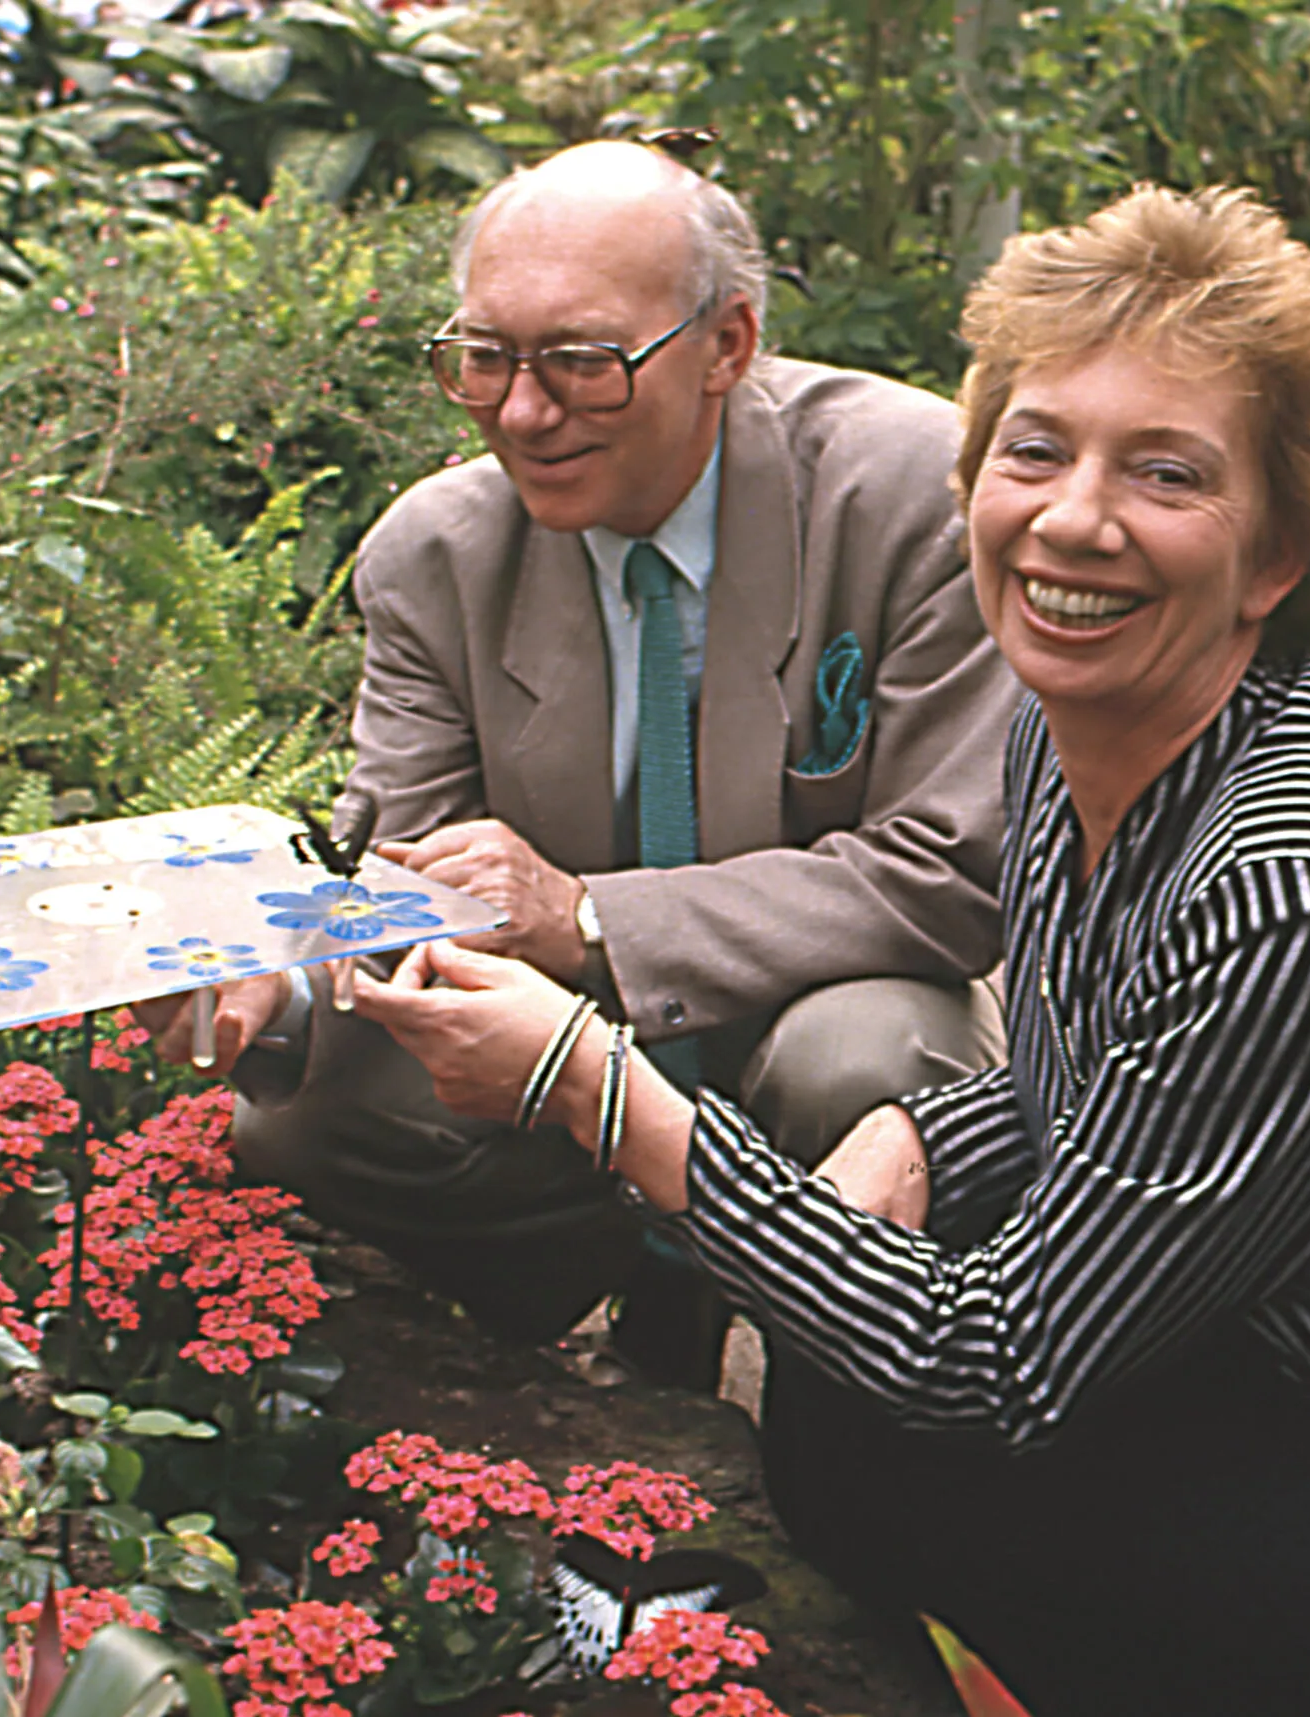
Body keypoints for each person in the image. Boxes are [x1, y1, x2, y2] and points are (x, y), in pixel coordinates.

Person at [350, 183, 1310, 1714]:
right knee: (844, 1426)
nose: (1074, 518)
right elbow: (1095, 1083)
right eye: (1036, 451)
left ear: (1273, 563)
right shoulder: (1082, 739)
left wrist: (593, 1089)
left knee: (905, 1426)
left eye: (1165, 473)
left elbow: (1002, 1359)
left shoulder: (1308, 885)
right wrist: (920, 1125)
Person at [141, 140, 1017, 1375]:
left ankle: (857, 1385)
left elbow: (950, 877)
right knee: (311, 1111)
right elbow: (405, 883)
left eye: (582, 364)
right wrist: (265, 985)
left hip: (827, 1009)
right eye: (484, 358)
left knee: (867, 1057)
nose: (521, 413)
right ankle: (601, 1323)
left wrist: (590, 917)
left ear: (727, 344)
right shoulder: (434, 557)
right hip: (569, 1053)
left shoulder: (912, 496)